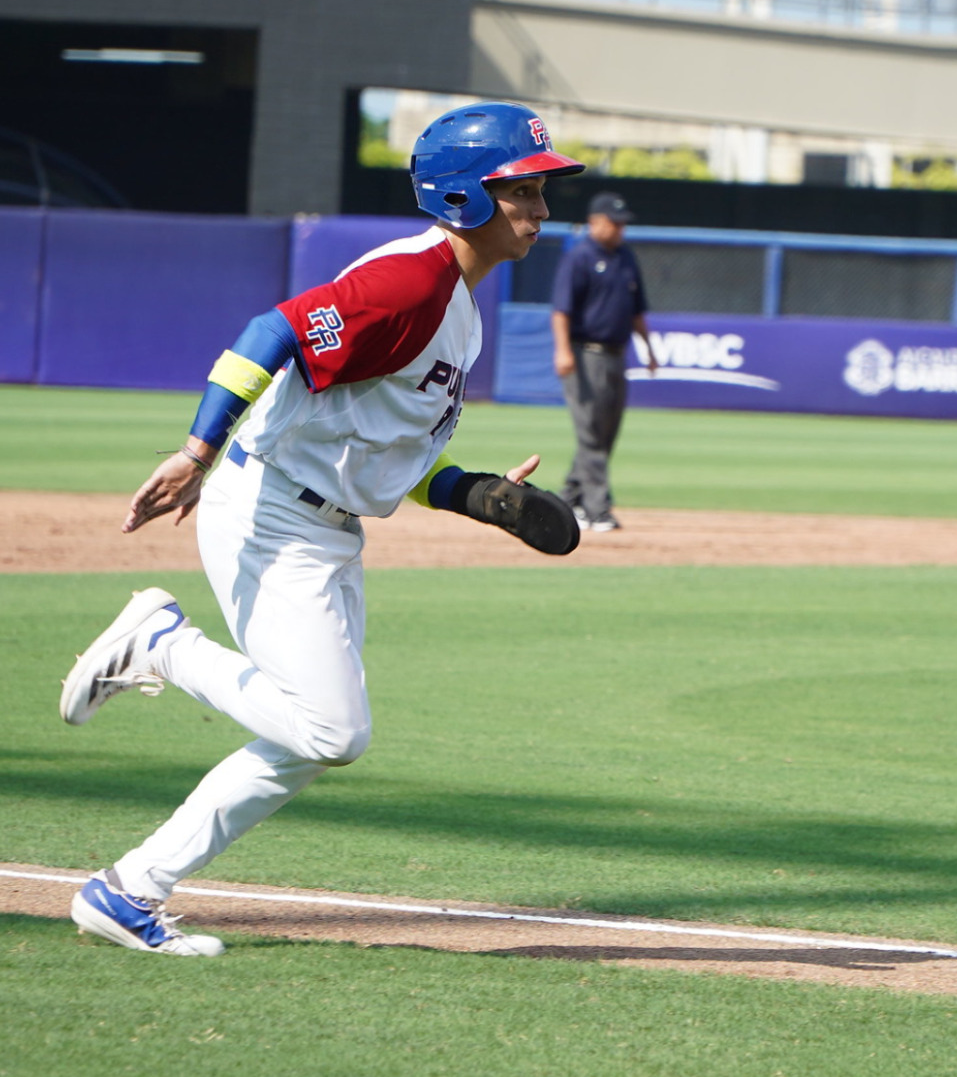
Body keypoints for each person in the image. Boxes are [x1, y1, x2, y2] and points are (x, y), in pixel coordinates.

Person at [57, 101, 584, 956]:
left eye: (539, 190)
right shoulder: (411, 281)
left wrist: (479, 496)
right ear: (462, 195)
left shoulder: (459, 308)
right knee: (333, 730)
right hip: (270, 511)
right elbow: (270, 332)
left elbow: (384, 458)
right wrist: (196, 449)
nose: (539, 207)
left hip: (326, 528)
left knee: (305, 739)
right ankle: (162, 645)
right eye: (520, 189)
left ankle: (129, 890)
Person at [551, 190, 657, 533]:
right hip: (585, 354)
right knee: (590, 433)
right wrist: (563, 350)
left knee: (606, 432)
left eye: (623, 223)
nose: (620, 229)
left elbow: (637, 310)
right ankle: (597, 510)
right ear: (595, 222)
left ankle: (569, 500)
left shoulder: (626, 257)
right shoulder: (579, 257)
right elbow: (561, 310)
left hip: (616, 354)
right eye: (614, 222)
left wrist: (649, 348)